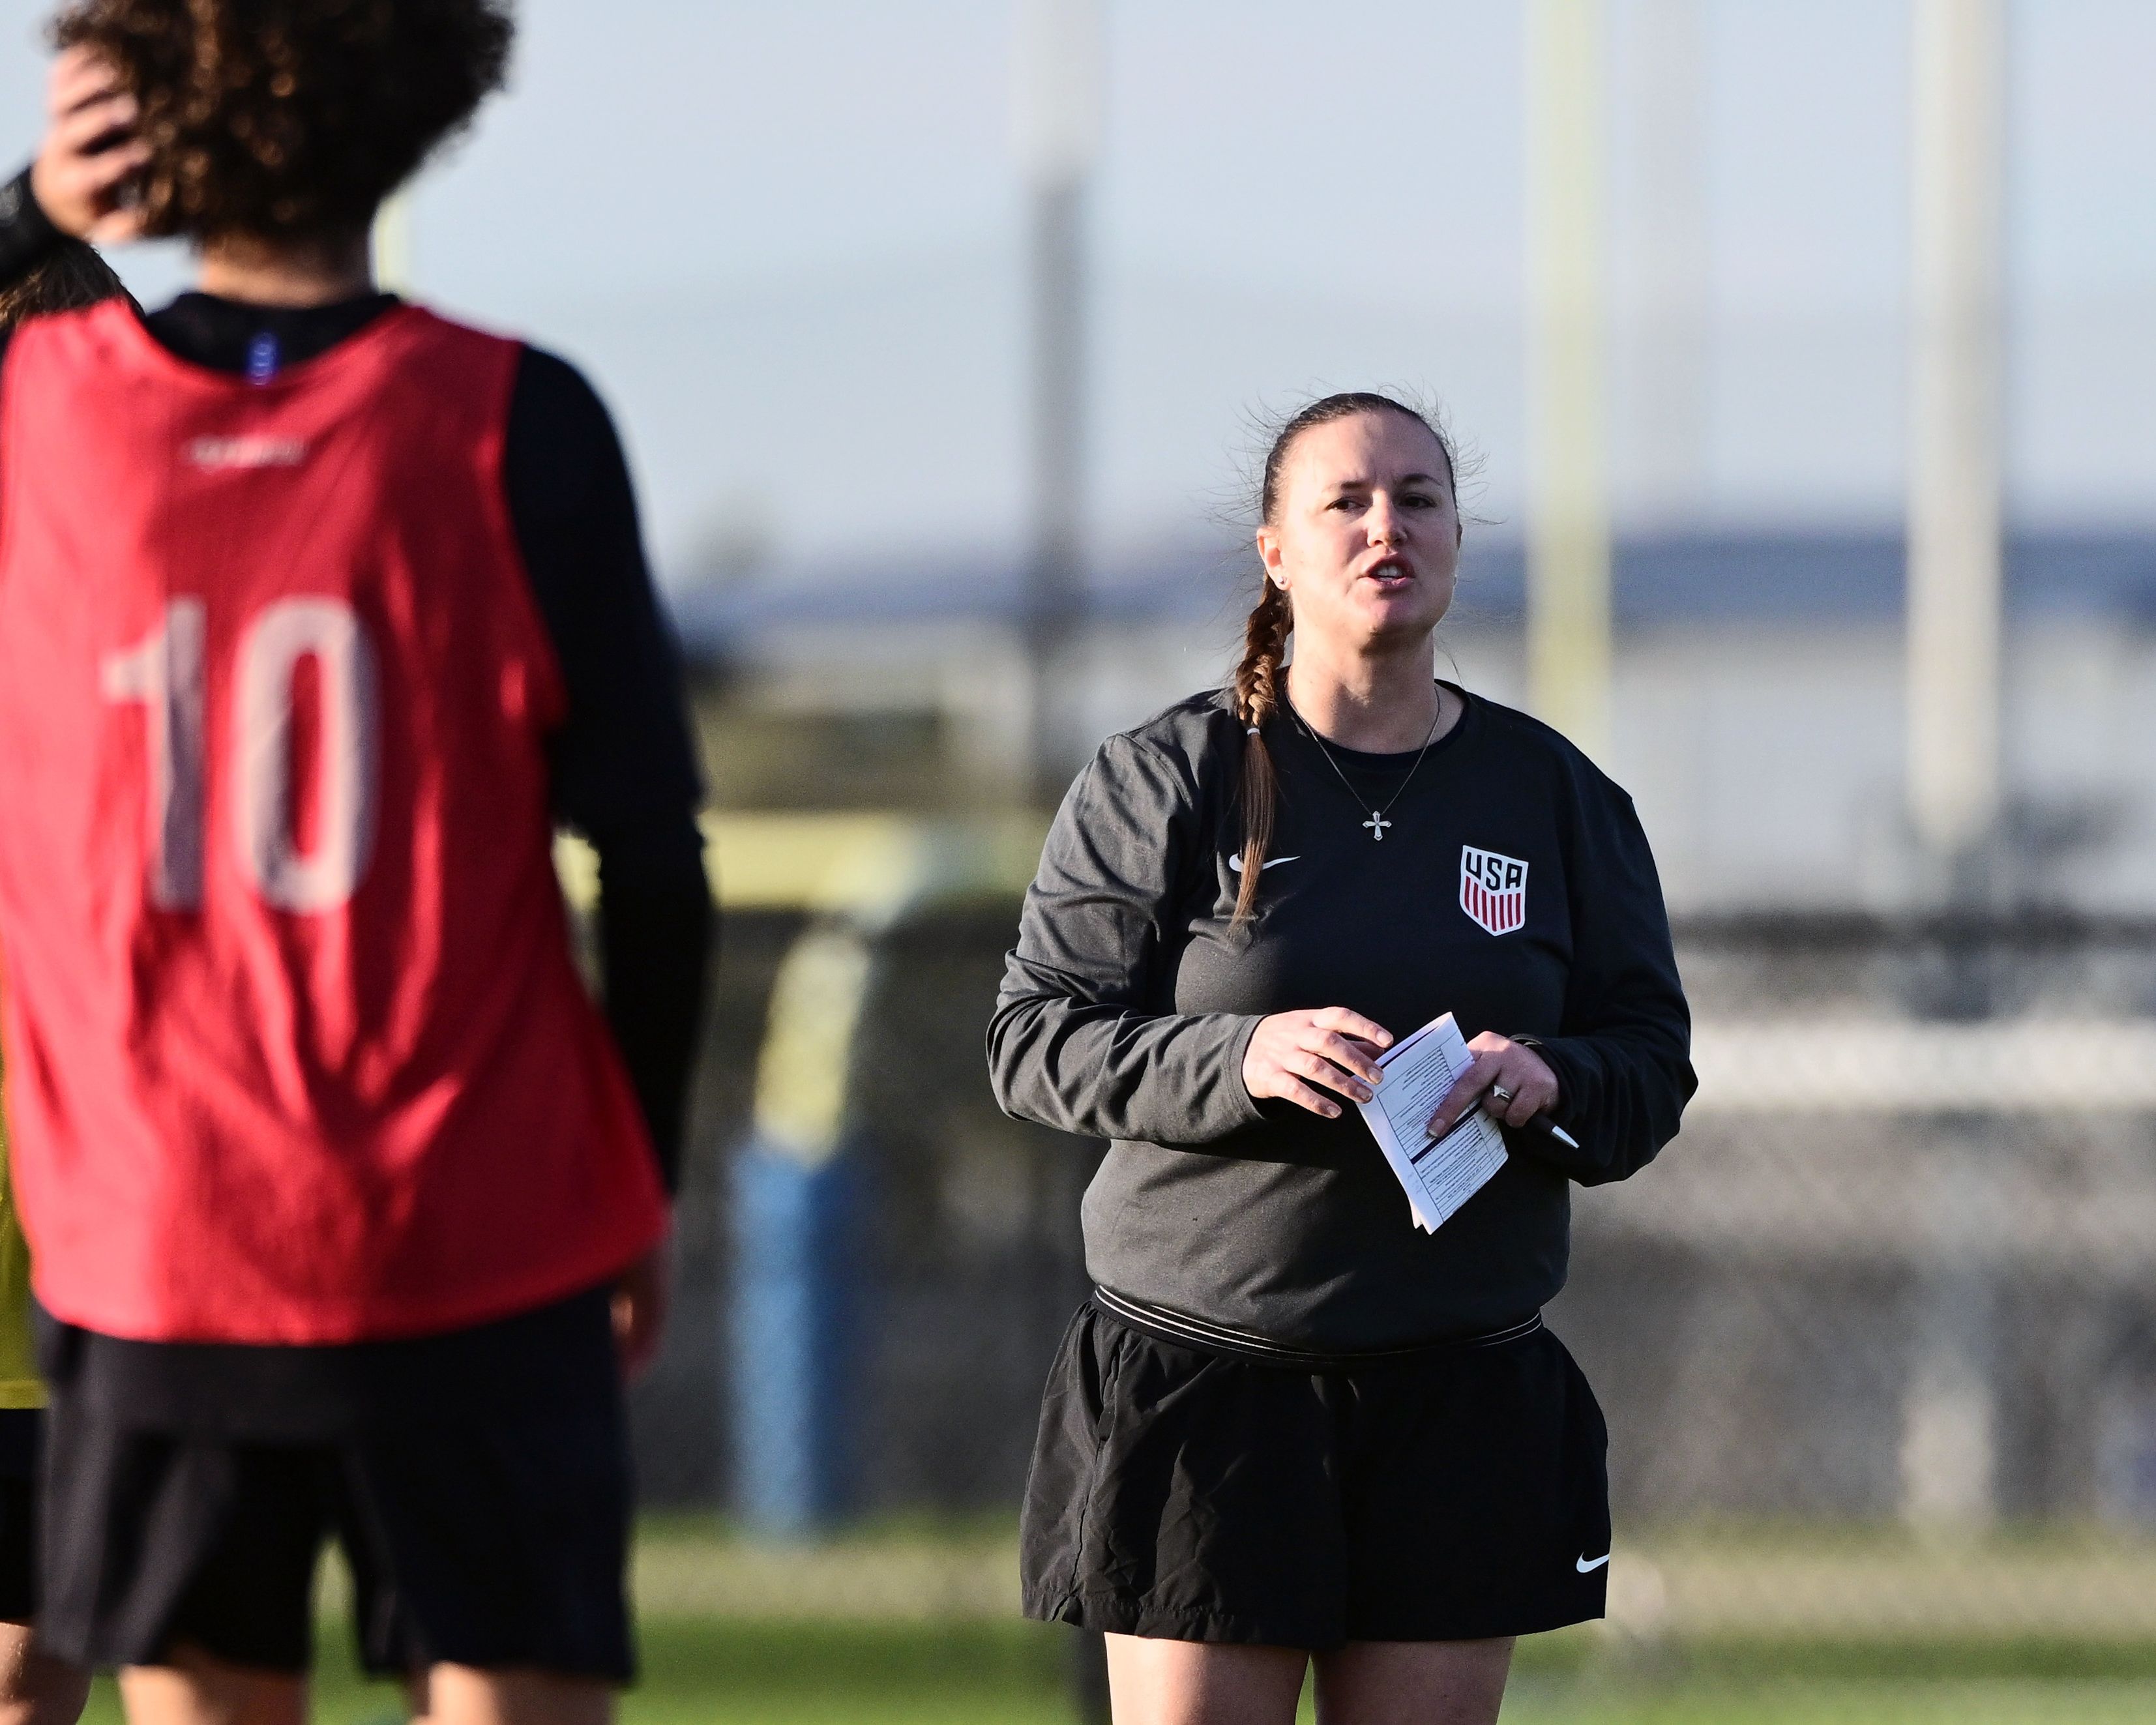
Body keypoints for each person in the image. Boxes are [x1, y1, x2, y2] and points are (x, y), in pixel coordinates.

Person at [0, 9, 711, 1724]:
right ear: (423, 114)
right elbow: (651, 861)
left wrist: (32, 212)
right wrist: (641, 1172)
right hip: (479, 1206)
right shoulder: (518, 416)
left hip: (166, 1226)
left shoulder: (52, 415)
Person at [988, 391, 1694, 1725]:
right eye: (1347, 503)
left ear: (1455, 539)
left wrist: (1555, 1084)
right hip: (1207, 1380)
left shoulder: (1549, 794)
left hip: (1459, 1385)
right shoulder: (1165, 779)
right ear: (1275, 552)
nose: (1389, 527)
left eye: (1419, 500)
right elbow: (1033, 1041)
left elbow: (1648, 1065)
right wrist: (1238, 1056)